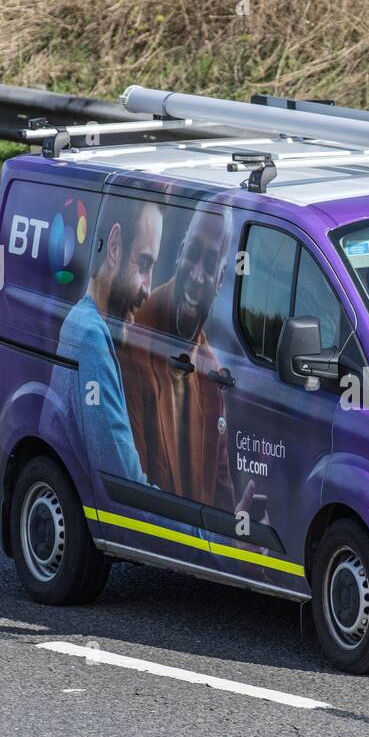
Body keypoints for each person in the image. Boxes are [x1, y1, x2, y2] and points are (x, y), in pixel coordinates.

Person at [120, 205, 260, 521]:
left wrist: (238, 530)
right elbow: (136, 490)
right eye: (192, 254)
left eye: (209, 264)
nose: (197, 275)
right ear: (180, 251)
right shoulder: (137, 334)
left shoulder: (212, 372)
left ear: (221, 278)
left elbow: (221, 499)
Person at [49, 197, 161, 484]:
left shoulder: (84, 323)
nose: (147, 290)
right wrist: (205, 530)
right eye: (144, 264)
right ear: (114, 247)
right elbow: (127, 488)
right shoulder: (90, 338)